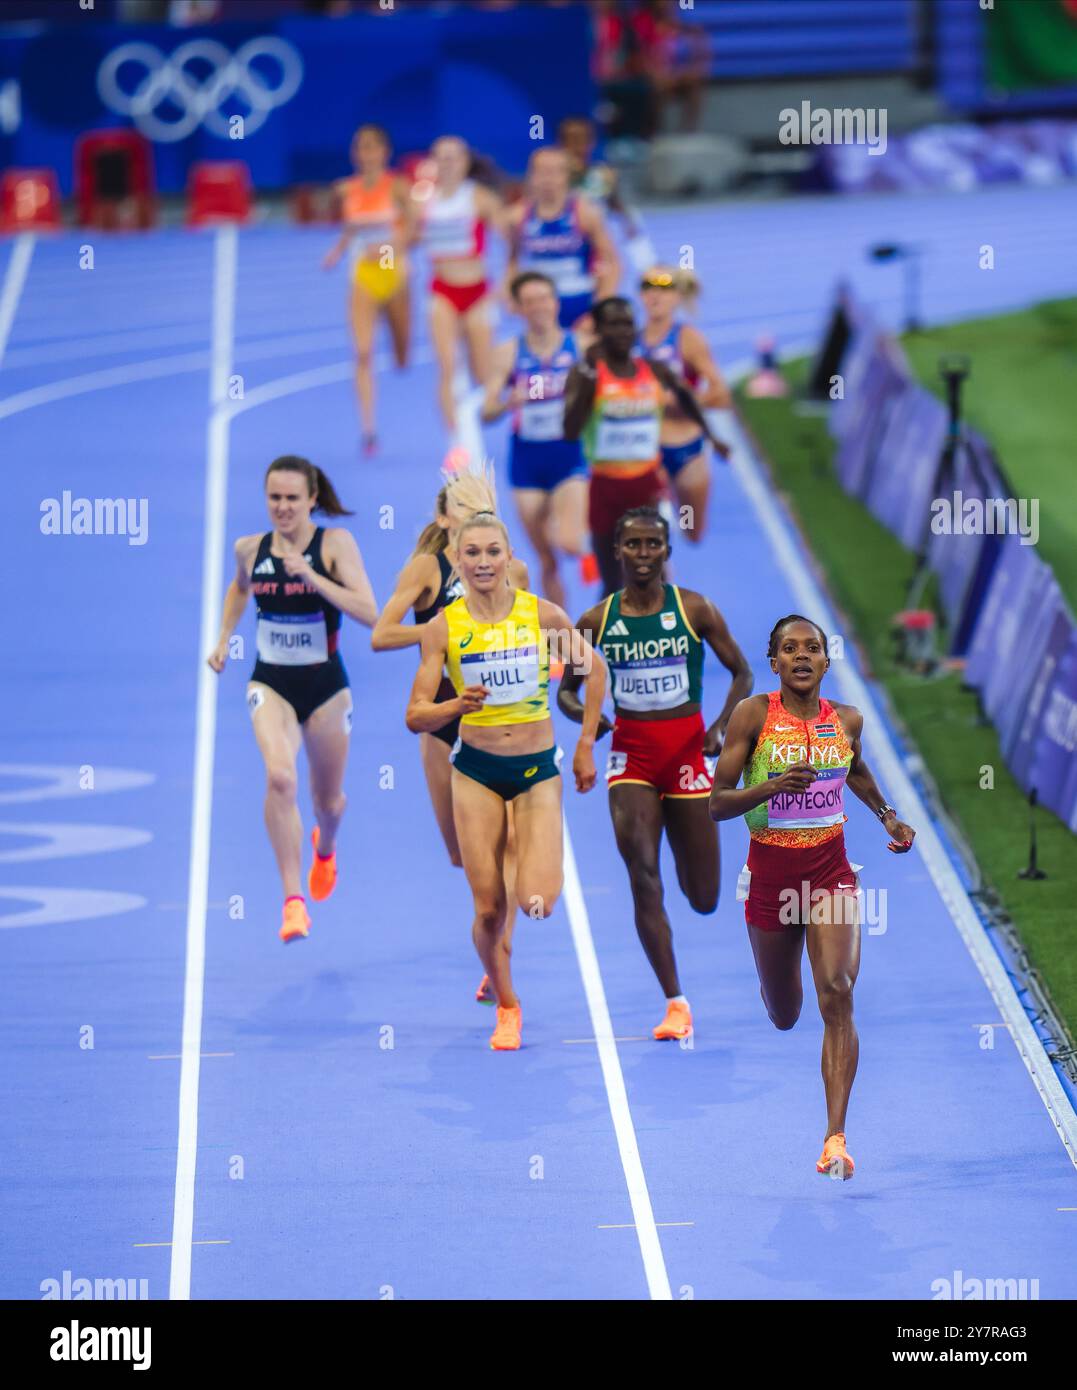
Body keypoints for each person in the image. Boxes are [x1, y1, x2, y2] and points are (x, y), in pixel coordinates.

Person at [709, 615, 916, 1179]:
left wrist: (889, 818)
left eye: (813, 648)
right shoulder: (752, 715)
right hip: (771, 882)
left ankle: (835, 1138)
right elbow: (718, 802)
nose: (802, 656)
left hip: (829, 875)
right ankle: (777, 986)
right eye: (789, 649)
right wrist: (772, 785)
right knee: (786, 1013)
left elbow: (857, 770)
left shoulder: (846, 719)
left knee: (839, 990)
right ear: (774, 661)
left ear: (827, 661)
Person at [406, 513, 607, 1050]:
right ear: (458, 560)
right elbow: (416, 714)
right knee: (489, 908)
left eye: (492, 552)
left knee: (539, 900)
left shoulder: (541, 617)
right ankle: (508, 1004)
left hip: (537, 770)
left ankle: (509, 948)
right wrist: (456, 703)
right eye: (471, 554)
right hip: (475, 773)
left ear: (509, 555)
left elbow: (596, 669)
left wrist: (586, 743)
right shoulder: (443, 628)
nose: (483, 563)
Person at [559, 507, 752, 1039]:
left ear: (667, 552)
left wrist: (722, 727)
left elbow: (742, 671)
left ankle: (698, 899)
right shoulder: (596, 621)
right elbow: (567, 692)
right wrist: (589, 720)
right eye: (633, 544)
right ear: (616, 551)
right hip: (631, 758)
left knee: (705, 897)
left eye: (652, 545)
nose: (643, 554)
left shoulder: (695, 610)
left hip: (689, 755)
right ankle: (675, 1002)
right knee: (643, 875)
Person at [371, 463, 530, 1004]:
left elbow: (537, 633)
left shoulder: (514, 569)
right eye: (467, 510)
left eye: (487, 508)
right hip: (442, 722)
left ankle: (499, 954)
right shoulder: (425, 570)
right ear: (445, 519)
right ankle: (493, 931)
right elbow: (382, 633)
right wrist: (444, 629)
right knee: (466, 855)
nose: (479, 520)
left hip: (499, 724)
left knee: (507, 843)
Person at [207, 456, 377, 943]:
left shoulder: (334, 546)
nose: (282, 508)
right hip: (271, 683)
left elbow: (370, 611)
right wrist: (223, 638)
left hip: (326, 686)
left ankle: (326, 848)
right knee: (280, 778)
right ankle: (292, 901)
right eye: (274, 498)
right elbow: (240, 591)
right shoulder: (249, 549)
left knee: (329, 801)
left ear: (312, 501)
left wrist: (312, 577)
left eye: (291, 499)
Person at [562, 295, 728, 595]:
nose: (623, 332)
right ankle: (602, 641)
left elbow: (688, 398)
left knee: (654, 573)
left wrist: (712, 437)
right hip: (604, 487)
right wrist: (586, 388)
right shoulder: (585, 374)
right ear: (599, 331)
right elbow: (570, 431)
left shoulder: (654, 370)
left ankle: (661, 636)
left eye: (628, 324)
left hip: (647, 485)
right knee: (612, 581)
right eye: (613, 325)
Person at [480, 271, 590, 609]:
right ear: (519, 308)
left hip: (569, 455)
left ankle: (591, 550)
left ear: (555, 304)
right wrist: (507, 401)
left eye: (543, 299)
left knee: (569, 543)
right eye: (529, 302)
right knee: (547, 559)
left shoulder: (581, 346)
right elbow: (486, 411)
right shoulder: (508, 352)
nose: (538, 307)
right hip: (527, 463)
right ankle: (565, 636)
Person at [322, 124, 415, 455]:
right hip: (363, 274)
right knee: (362, 353)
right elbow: (352, 225)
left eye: (374, 147)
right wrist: (338, 250)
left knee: (403, 356)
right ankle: (368, 430)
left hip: (395, 272)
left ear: (385, 153)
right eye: (361, 147)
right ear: (354, 154)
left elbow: (415, 231)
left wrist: (390, 248)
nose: (367, 153)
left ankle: (401, 351)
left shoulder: (400, 188)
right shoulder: (345, 189)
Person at [415, 135, 504, 436]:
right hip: (442, 292)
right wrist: (387, 260)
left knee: (483, 372)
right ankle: (455, 438)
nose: (448, 164)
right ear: (433, 162)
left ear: (465, 162)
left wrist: (506, 285)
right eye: (441, 157)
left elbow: (513, 241)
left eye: (454, 157)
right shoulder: (422, 201)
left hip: (478, 292)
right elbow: (402, 242)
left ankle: (481, 423)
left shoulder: (481, 198)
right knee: (448, 366)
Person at [637, 265, 731, 544]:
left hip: (687, 449)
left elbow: (721, 394)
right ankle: (656, 573)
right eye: (648, 288)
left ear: (677, 296)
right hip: (644, 450)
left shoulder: (687, 339)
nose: (655, 296)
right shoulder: (629, 340)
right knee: (646, 533)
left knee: (692, 532)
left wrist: (681, 401)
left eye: (664, 290)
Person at [505, 146, 620, 332]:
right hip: (539, 308)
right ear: (531, 176)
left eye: (554, 172)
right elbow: (512, 260)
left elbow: (612, 263)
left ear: (566, 176)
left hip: (580, 305)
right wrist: (512, 296)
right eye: (541, 171)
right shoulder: (517, 217)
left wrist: (599, 308)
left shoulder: (585, 213)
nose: (548, 178)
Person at [557, 114, 656, 273]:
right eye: (571, 140)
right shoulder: (552, 179)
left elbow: (615, 204)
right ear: (561, 144)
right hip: (565, 241)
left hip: (599, 240)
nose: (576, 145)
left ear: (591, 142)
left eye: (582, 139)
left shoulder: (603, 174)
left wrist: (629, 226)